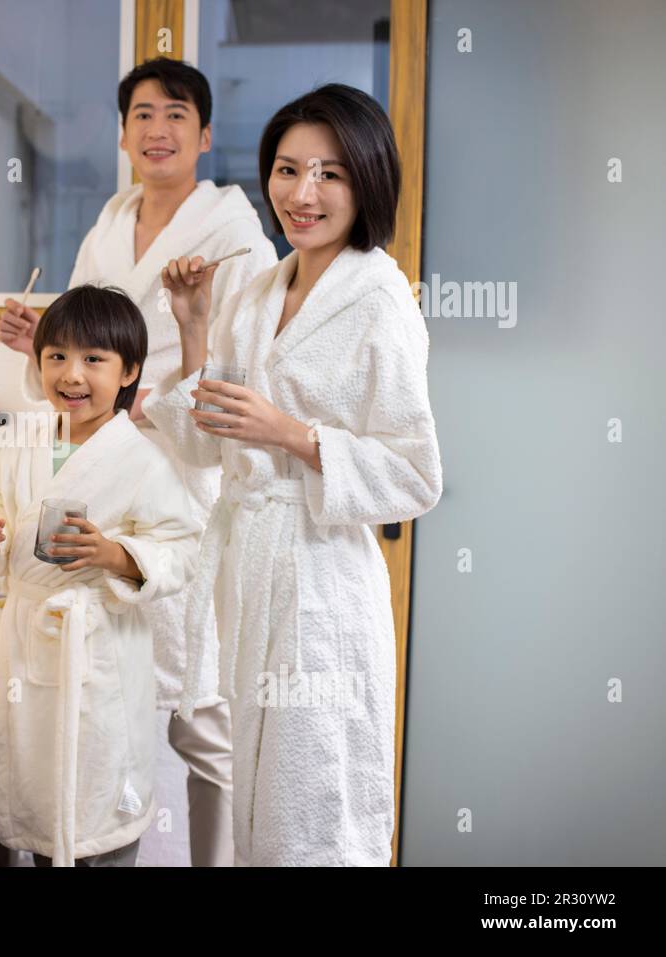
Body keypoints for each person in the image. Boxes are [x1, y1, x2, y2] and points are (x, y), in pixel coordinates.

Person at [147, 84, 443, 865]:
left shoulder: (382, 302)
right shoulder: (258, 291)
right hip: (253, 570)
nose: (302, 194)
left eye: (329, 174)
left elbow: (416, 476)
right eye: (287, 169)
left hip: (322, 590)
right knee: (261, 798)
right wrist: (193, 327)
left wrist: (292, 433)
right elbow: (209, 446)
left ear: (366, 181)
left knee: (318, 803)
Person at [0, 57, 276, 866]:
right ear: (122, 134)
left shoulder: (234, 236)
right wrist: (38, 342)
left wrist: (166, 388)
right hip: (100, 469)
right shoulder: (108, 224)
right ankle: (75, 836)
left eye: (176, 115)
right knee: (102, 688)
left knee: (198, 705)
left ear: (206, 135)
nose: (157, 130)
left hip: (178, 474)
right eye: (143, 115)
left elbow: (243, 366)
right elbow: (84, 349)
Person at [0, 284, 199, 866]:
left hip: (98, 651)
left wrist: (117, 556)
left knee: (101, 800)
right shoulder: (25, 443)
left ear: (129, 373)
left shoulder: (144, 458)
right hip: (28, 647)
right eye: (57, 357)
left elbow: (183, 546)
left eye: (94, 359)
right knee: (41, 797)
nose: (72, 374)